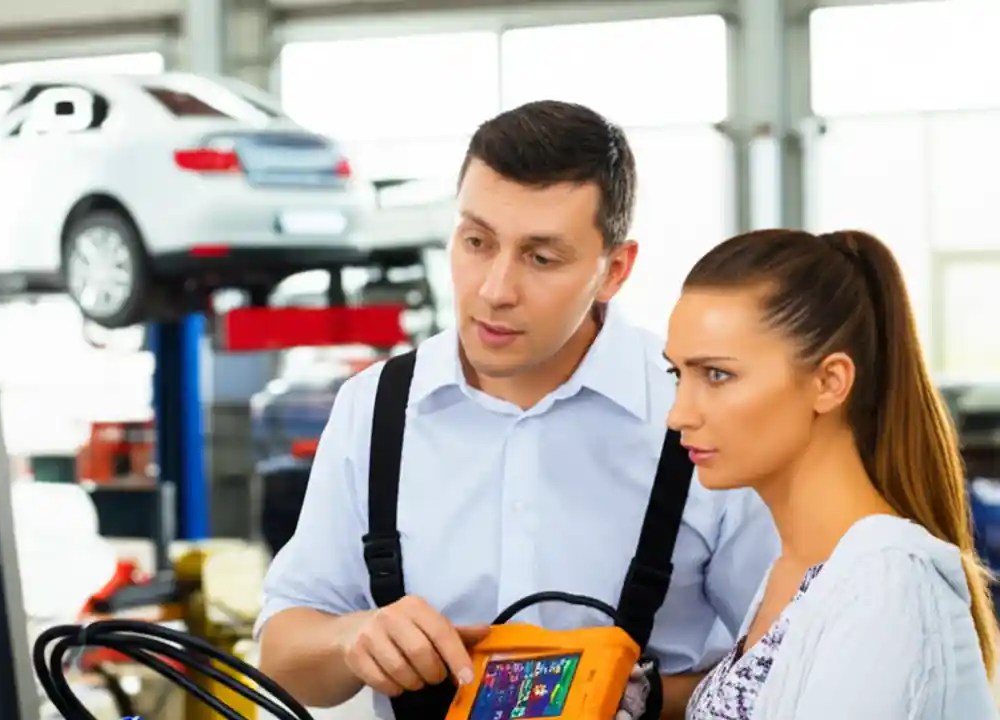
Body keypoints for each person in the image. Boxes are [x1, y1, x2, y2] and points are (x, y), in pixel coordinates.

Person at [253, 99, 779, 720]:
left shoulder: (695, 416)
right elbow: (283, 656)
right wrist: (352, 639)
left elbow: (787, 665)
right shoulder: (374, 410)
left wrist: (642, 699)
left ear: (614, 270)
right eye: (477, 241)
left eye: (540, 257)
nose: (495, 290)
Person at [666, 228, 1000, 719]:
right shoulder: (800, 571)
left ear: (829, 382)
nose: (679, 414)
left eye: (717, 375)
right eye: (678, 374)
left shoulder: (885, 587)